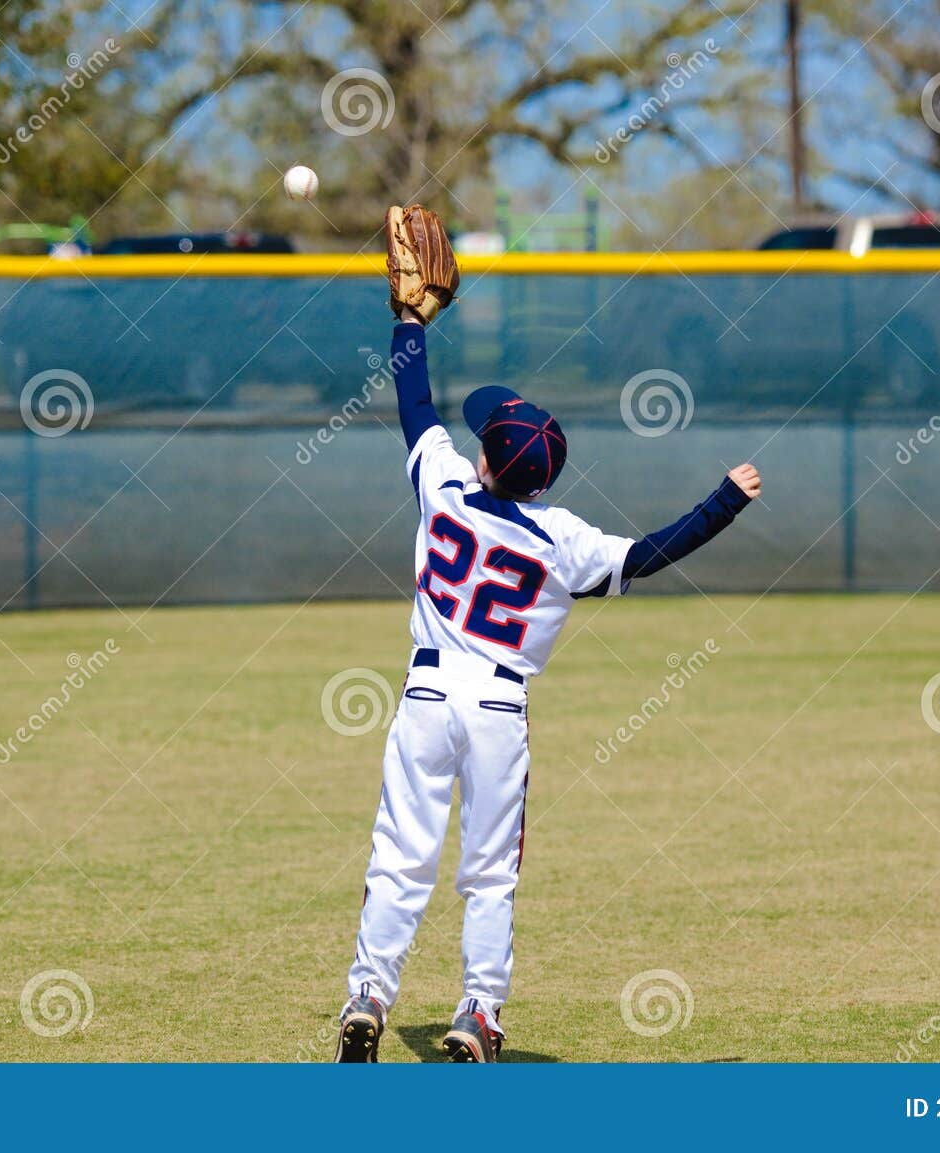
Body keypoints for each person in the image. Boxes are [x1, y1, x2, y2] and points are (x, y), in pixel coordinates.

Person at [337, 206, 761, 1062]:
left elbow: (413, 401)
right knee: (489, 873)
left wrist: (409, 323)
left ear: (487, 457)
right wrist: (724, 500)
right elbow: (646, 554)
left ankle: (368, 997)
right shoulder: (563, 538)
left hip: (424, 691)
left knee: (400, 857)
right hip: (498, 705)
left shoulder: (446, 487)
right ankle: (477, 1014)